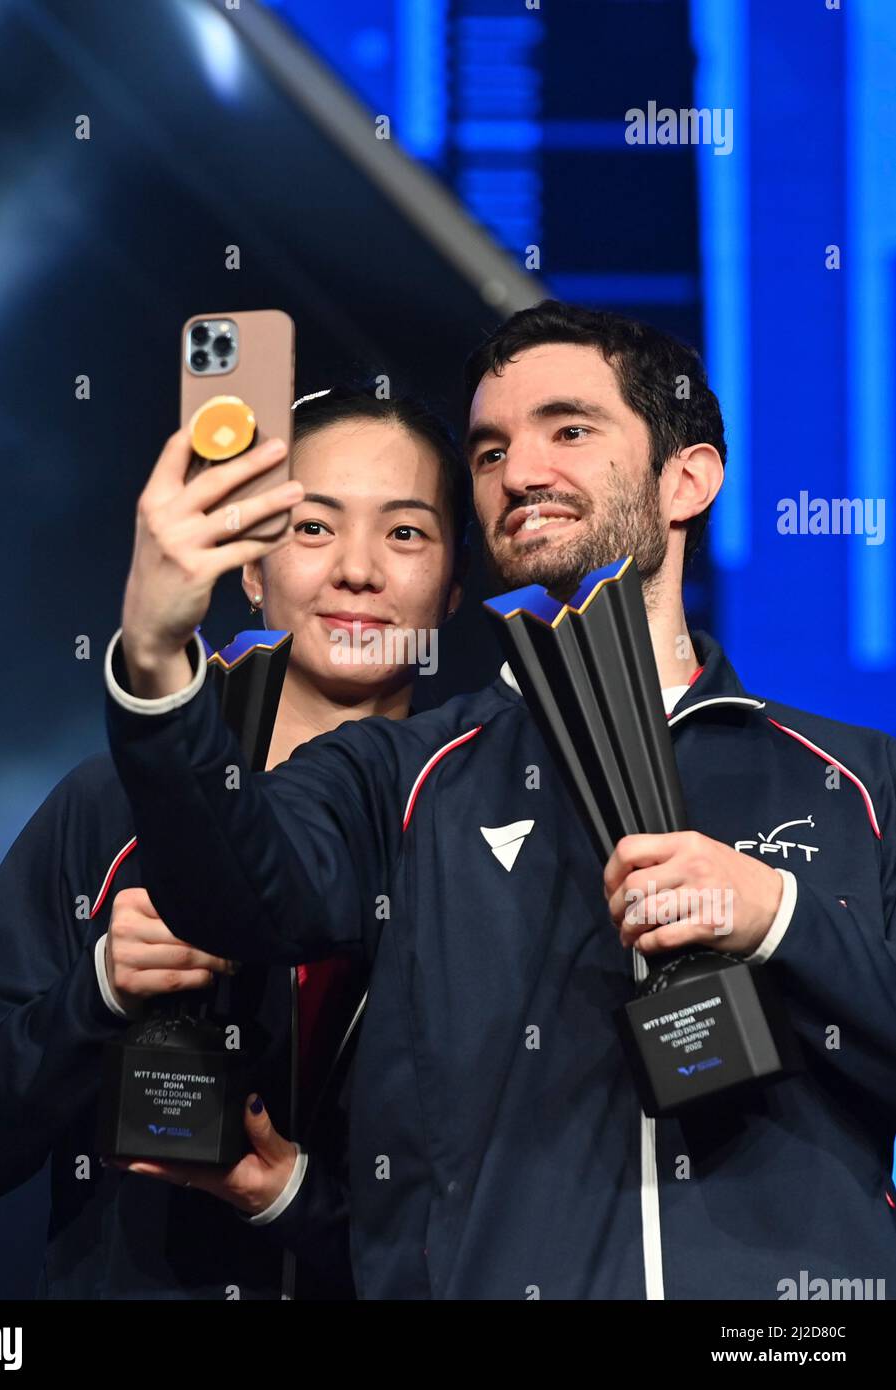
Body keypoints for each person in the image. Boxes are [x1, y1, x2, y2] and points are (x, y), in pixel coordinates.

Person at [104, 300, 896, 1300]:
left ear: (685, 477)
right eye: (486, 452)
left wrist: (776, 917)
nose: (520, 472)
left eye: (568, 429)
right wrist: (152, 661)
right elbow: (228, 888)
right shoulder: (398, 774)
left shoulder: (855, 777)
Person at [0, 384, 468, 1299]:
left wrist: (297, 1202)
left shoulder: (482, 835)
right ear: (246, 568)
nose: (357, 570)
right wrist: (100, 990)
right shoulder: (111, 808)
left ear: (451, 588)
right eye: (312, 528)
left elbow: (533, 1214)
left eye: (405, 534)